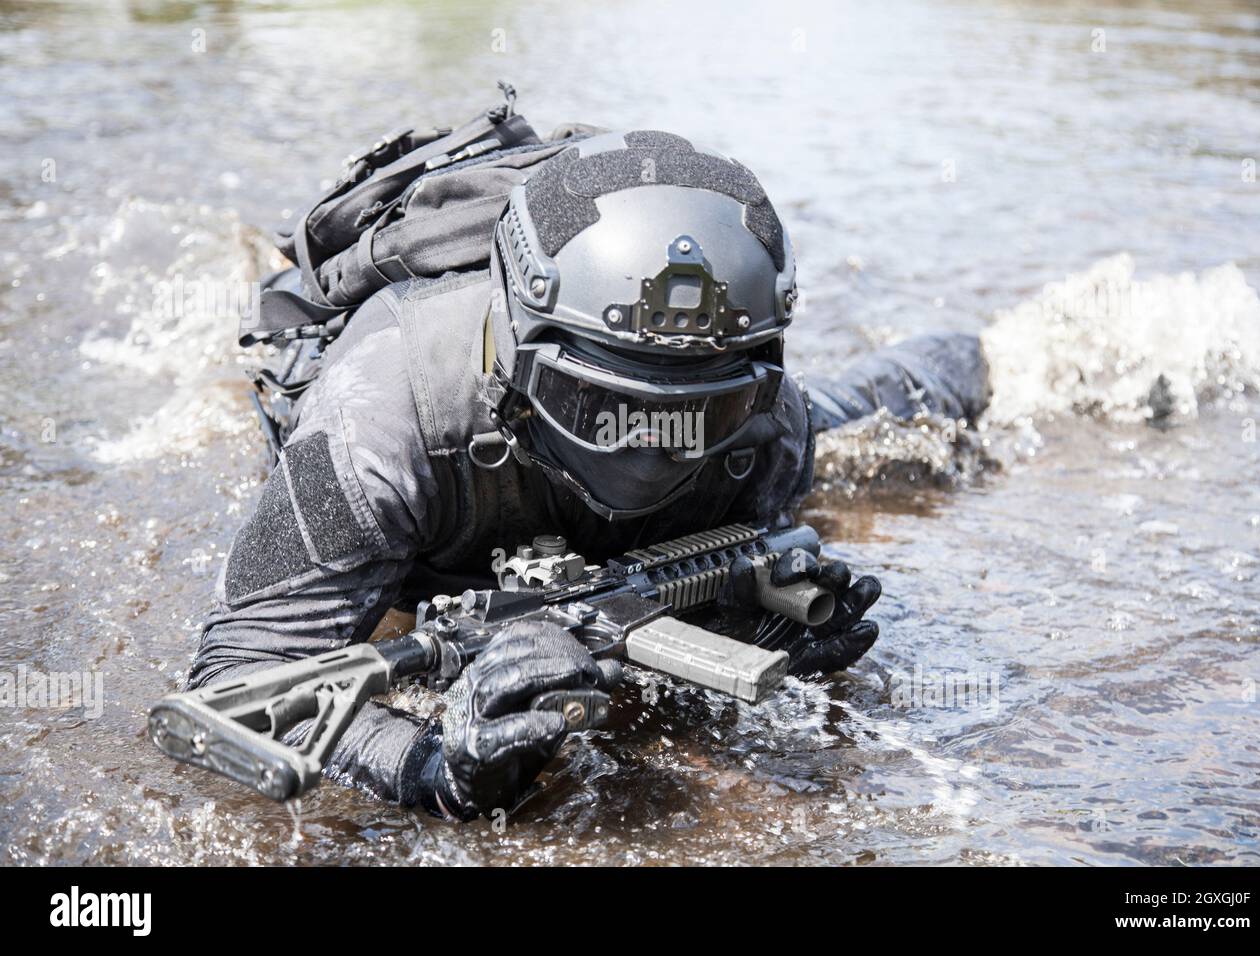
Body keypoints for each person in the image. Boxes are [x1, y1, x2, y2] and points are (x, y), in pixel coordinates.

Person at [188, 130, 988, 820]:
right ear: (516, 357)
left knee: (912, 403)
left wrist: (758, 625)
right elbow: (236, 679)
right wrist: (431, 768)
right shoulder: (387, 412)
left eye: (692, 414)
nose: (650, 454)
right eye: (599, 404)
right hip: (399, 440)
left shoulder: (765, 417)